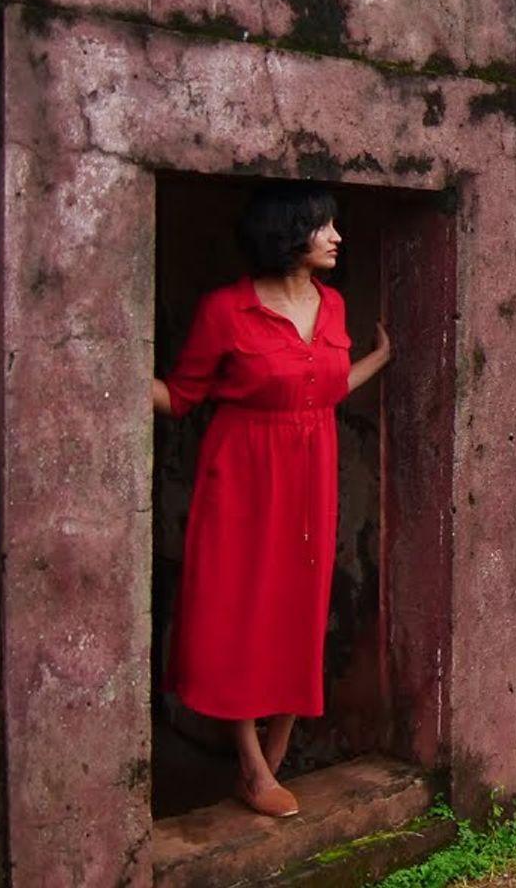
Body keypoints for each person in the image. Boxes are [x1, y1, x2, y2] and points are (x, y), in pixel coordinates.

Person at [151, 182, 392, 818]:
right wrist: (107, 365)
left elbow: (325, 388)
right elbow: (180, 398)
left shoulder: (332, 305)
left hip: (311, 473)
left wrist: (380, 359)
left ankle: (273, 756)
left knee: (299, 607)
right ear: (288, 233)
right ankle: (252, 768)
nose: (337, 236)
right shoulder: (225, 311)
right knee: (238, 610)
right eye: (324, 226)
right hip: (243, 475)